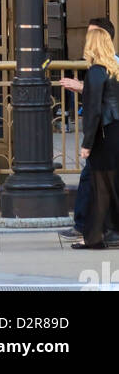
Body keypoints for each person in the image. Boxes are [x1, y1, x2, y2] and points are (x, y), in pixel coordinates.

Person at [58, 17, 119, 240]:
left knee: (101, 182)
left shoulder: (98, 70)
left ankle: (90, 229)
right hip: (111, 131)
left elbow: (95, 108)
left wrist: (87, 144)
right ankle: (95, 229)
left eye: (91, 34)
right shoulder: (112, 67)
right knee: (102, 182)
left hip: (105, 131)